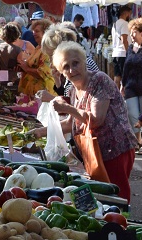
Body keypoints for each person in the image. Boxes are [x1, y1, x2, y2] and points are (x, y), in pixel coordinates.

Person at [38, 42, 136, 201]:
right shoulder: (72, 89)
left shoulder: (99, 80)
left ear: (84, 61)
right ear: (61, 72)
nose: (72, 70)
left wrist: (67, 108)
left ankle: (120, 218)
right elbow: (70, 123)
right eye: (66, 67)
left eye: (75, 63)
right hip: (93, 151)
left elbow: (96, 119)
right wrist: (38, 132)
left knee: (116, 196)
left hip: (115, 148)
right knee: (102, 197)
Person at [110, 5, 131, 87]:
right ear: (125, 13)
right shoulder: (125, 24)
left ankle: (116, 92)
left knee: (117, 76)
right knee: (125, 76)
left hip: (116, 53)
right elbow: (124, 39)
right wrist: (128, 52)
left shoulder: (114, 24)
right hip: (123, 53)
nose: (130, 16)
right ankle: (124, 93)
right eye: (129, 13)